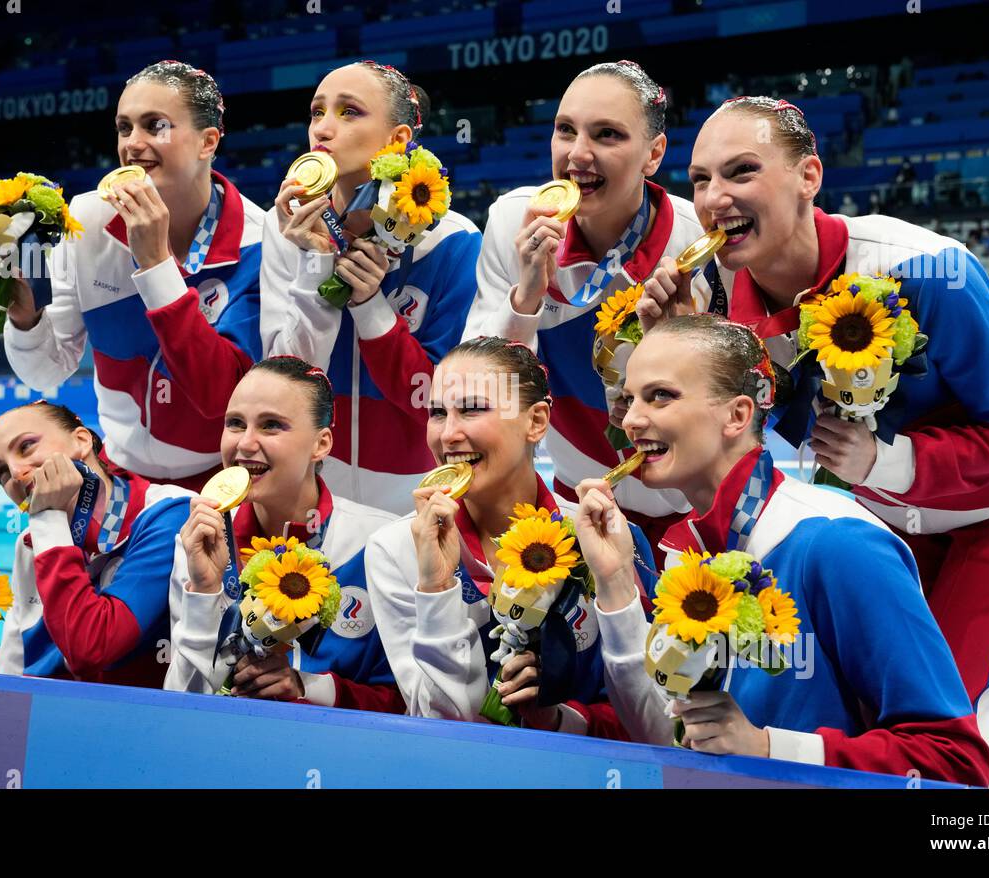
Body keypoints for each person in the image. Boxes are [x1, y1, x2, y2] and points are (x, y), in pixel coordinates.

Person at [638, 95, 989, 788]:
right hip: (887, 506)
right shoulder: (719, 292)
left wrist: (888, 462)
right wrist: (683, 345)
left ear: (809, 176)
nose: (712, 198)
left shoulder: (924, 269)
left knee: (964, 734)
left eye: (740, 172)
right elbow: (737, 424)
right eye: (700, 179)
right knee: (874, 710)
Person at [573, 315, 989, 786]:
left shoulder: (836, 543)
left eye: (661, 396)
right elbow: (666, 738)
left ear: (737, 415)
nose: (629, 420)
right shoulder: (685, 557)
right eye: (630, 399)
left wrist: (770, 748)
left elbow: (955, 762)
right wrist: (614, 584)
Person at [466, 60, 727, 557]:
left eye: (607, 135)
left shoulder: (698, 242)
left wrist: (682, 346)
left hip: (694, 509)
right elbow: (485, 389)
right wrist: (525, 300)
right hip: (577, 497)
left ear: (654, 154)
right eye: (565, 131)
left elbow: (741, 407)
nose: (577, 154)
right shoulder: (510, 222)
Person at [0, 61, 267, 492]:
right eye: (124, 128)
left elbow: (222, 399)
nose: (133, 145)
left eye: (155, 126)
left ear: (207, 142)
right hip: (120, 480)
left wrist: (156, 265)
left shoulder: (259, 242)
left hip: (222, 486)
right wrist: (25, 318)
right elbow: (45, 373)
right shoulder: (86, 221)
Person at [365, 337, 657, 736]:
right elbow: (441, 728)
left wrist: (556, 720)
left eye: (472, 409)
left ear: (536, 422)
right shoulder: (395, 549)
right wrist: (436, 588)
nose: (448, 434)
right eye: (437, 412)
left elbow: (651, 725)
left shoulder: (608, 537)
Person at [232, 59, 481, 515]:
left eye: (349, 112)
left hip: (418, 494)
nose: (323, 129)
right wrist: (315, 264)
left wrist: (372, 309)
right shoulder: (285, 226)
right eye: (316, 112)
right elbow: (285, 383)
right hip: (314, 494)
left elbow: (439, 405)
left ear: (398, 139)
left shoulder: (455, 243)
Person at [165, 356, 403, 711]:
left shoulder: (380, 542)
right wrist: (204, 591)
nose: (245, 443)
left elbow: (410, 706)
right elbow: (181, 703)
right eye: (235, 423)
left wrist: (311, 689)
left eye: (271, 425)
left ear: (321, 444)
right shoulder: (202, 539)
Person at [0, 400, 192, 686]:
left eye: (26, 446)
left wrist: (49, 520)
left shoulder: (166, 514)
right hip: (50, 712)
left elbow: (92, 648)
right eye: (2, 474)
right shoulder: (31, 542)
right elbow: (13, 659)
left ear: (81, 440)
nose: (17, 473)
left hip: (141, 717)